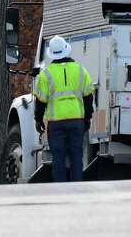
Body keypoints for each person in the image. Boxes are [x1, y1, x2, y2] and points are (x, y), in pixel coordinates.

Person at [33, 35, 94, 182]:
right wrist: (87, 118)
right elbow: (88, 97)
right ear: (67, 50)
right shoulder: (81, 70)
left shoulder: (45, 74)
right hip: (77, 121)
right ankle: (76, 187)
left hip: (56, 124)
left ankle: (60, 190)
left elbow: (40, 101)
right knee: (76, 157)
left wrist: (38, 120)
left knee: (58, 159)